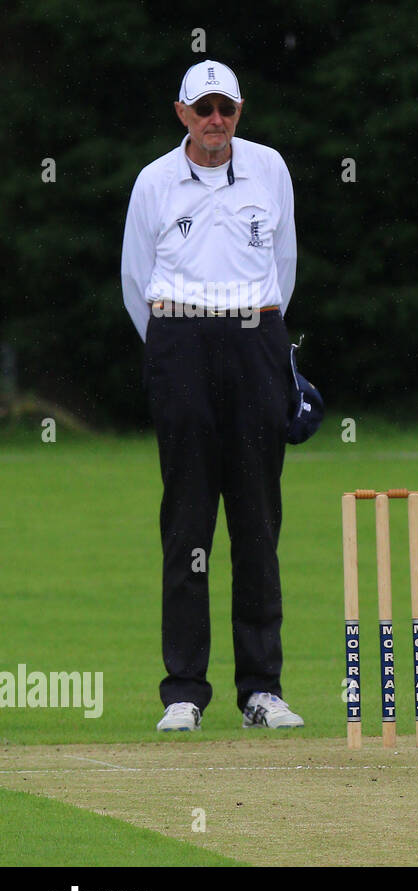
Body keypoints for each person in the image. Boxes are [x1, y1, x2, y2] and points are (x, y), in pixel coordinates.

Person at [121, 60, 304, 732]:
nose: (216, 121)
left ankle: (261, 689)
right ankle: (184, 693)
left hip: (255, 339)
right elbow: (135, 276)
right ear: (182, 114)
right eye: (204, 110)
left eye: (226, 109)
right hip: (178, 343)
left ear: (240, 110)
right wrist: (177, 347)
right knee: (188, 521)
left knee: (257, 519)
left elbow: (282, 263)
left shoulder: (269, 169)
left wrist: (257, 333)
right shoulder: (153, 182)